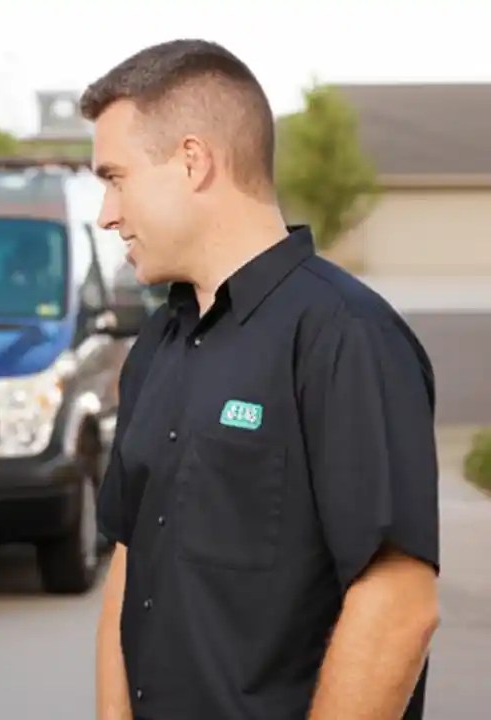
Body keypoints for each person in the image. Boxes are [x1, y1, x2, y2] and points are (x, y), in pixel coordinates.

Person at [83, 40, 440, 720]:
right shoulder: (157, 345)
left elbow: (398, 606)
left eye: (116, 177)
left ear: (192, 162)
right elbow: (128, 571)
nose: (107, 213)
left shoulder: (345, 337)